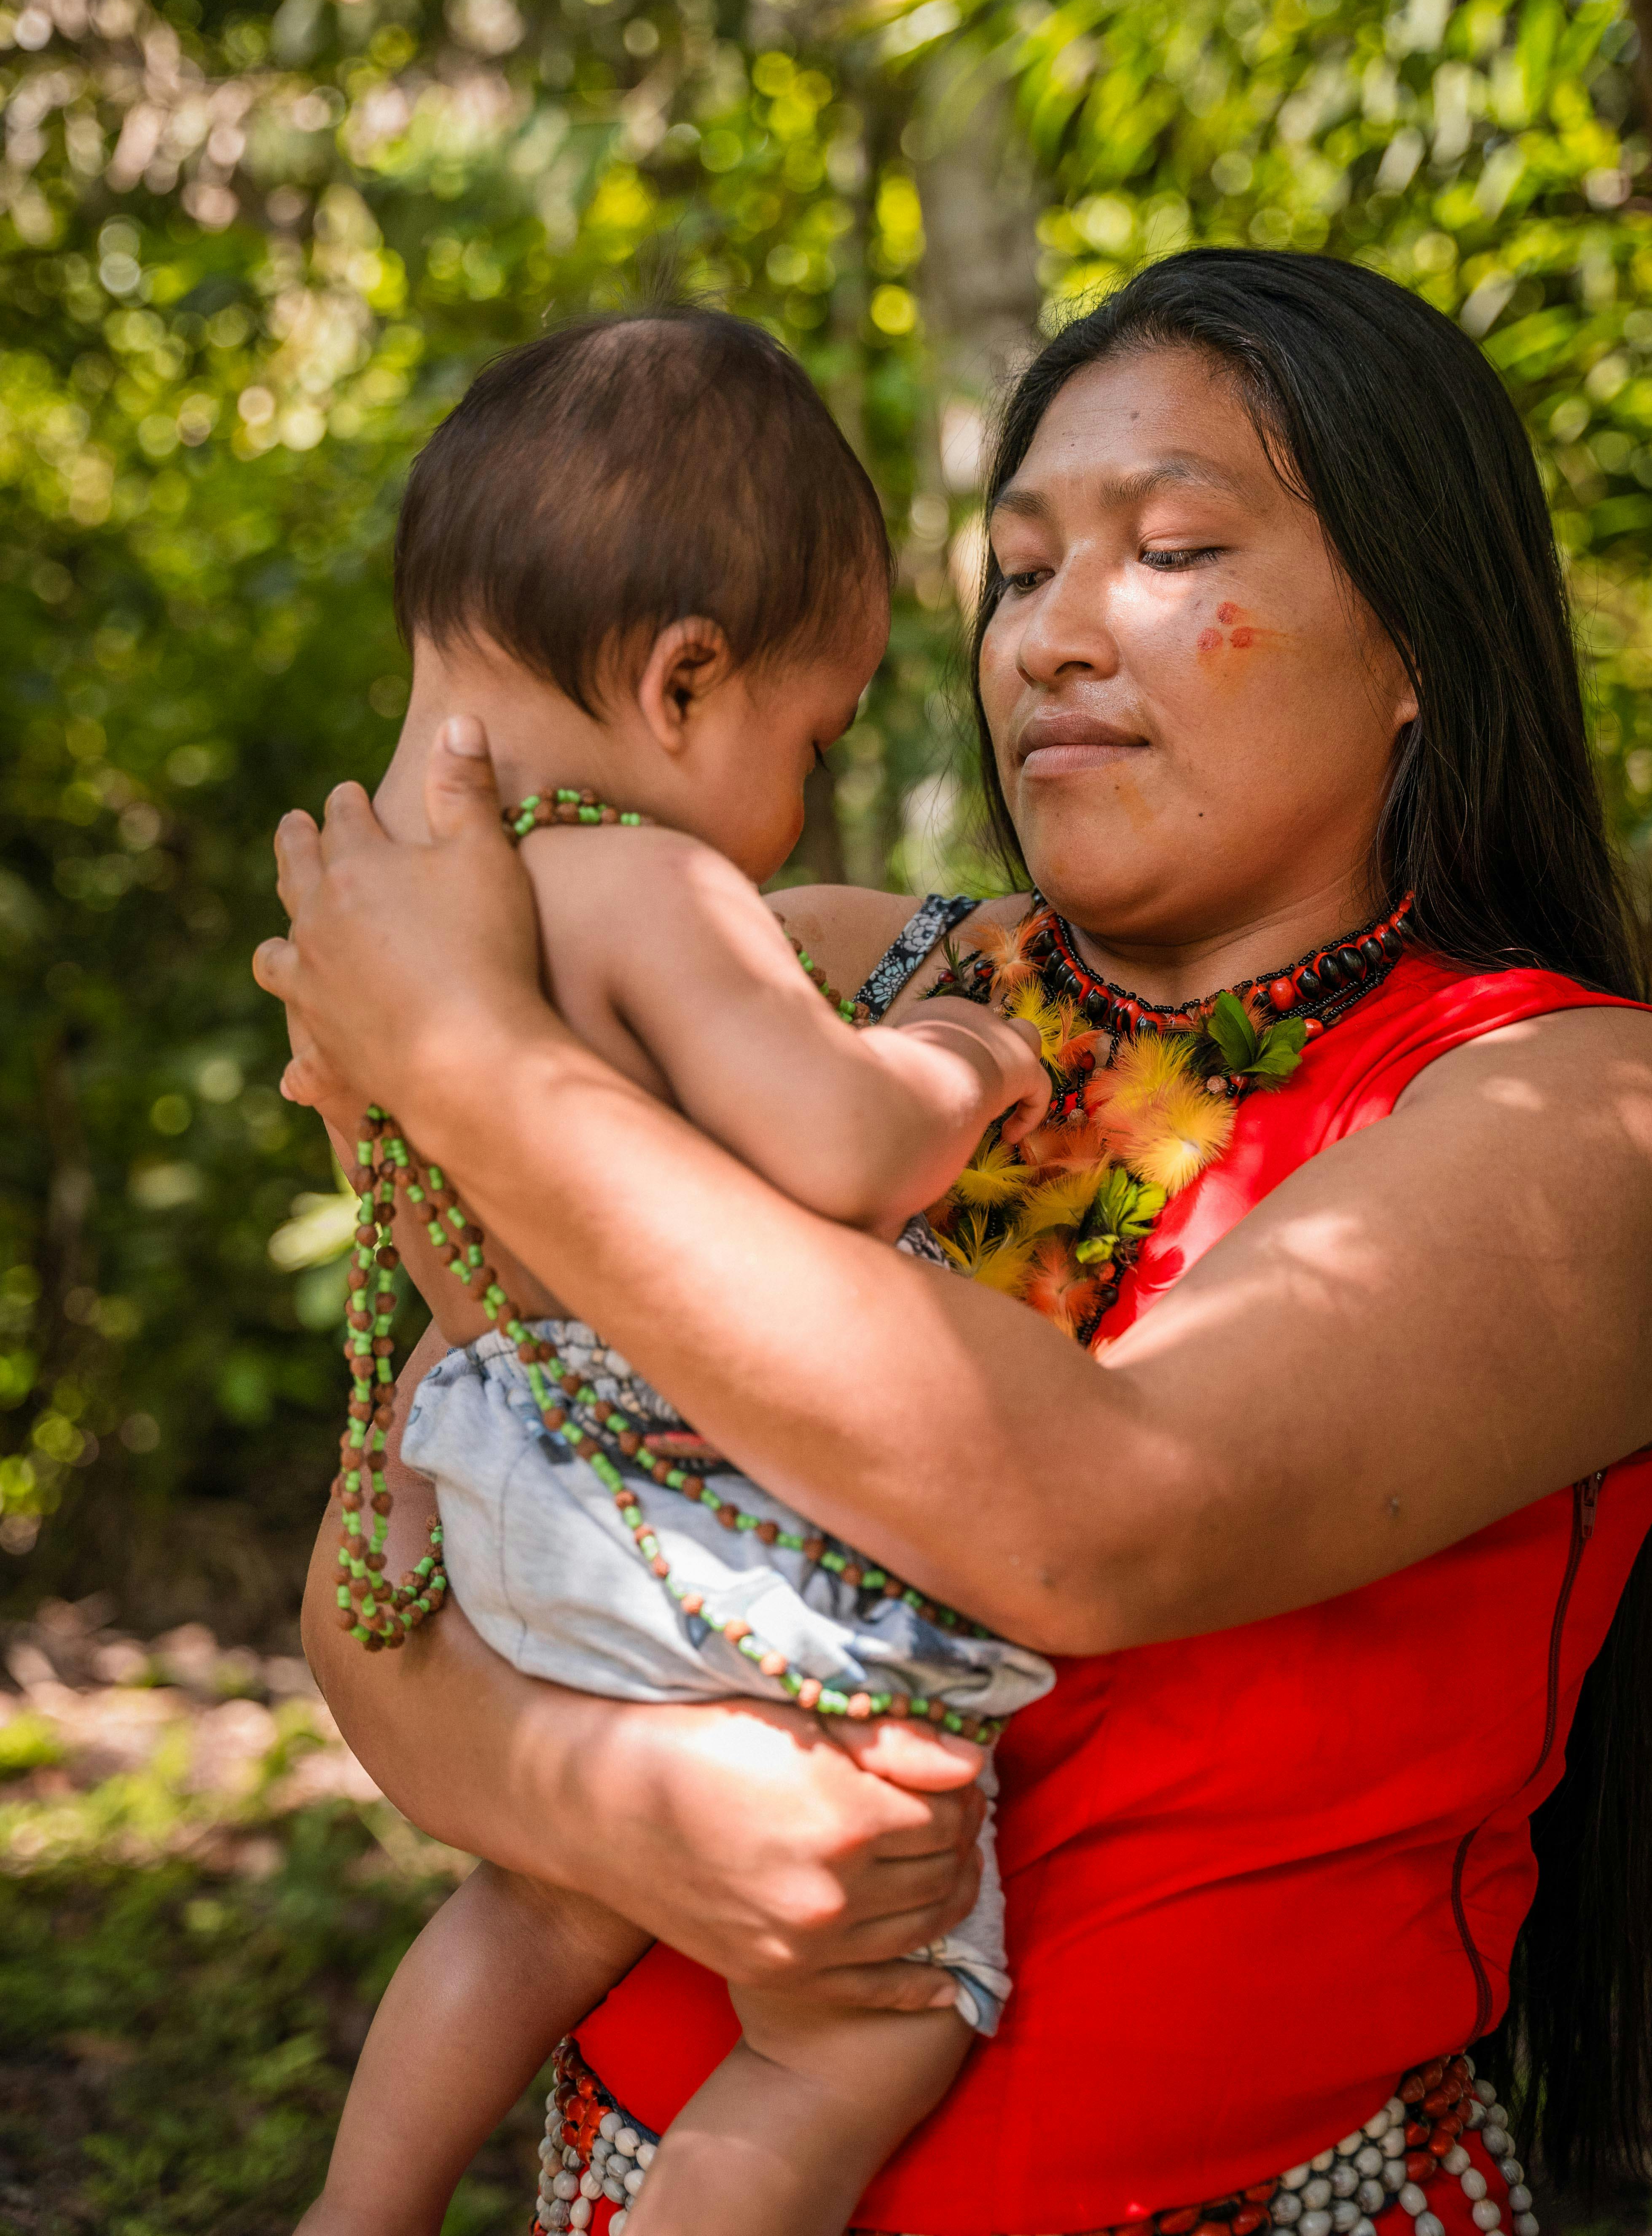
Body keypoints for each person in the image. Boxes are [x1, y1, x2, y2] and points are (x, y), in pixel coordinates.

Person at [258, 251, 1652, 2236]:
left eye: (1170, 551)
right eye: (1018, 573)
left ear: (1419, 638)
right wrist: (645, 1816)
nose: (1052, 638)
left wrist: (470, 1064)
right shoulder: (802, 974)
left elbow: (1093, 1516)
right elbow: (406, 1544)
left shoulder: (1589, 1121)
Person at [290, 310, 1059, 2236]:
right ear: (683, 680)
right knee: (860, 2023)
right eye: (814, 738)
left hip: (496, 1495)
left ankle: (355, 2213)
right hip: (683, 1507)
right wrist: (952, 1058)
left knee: (539, 1904)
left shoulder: (389, 933)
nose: (803, 795)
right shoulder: (647, 884)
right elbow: (842, 1144)